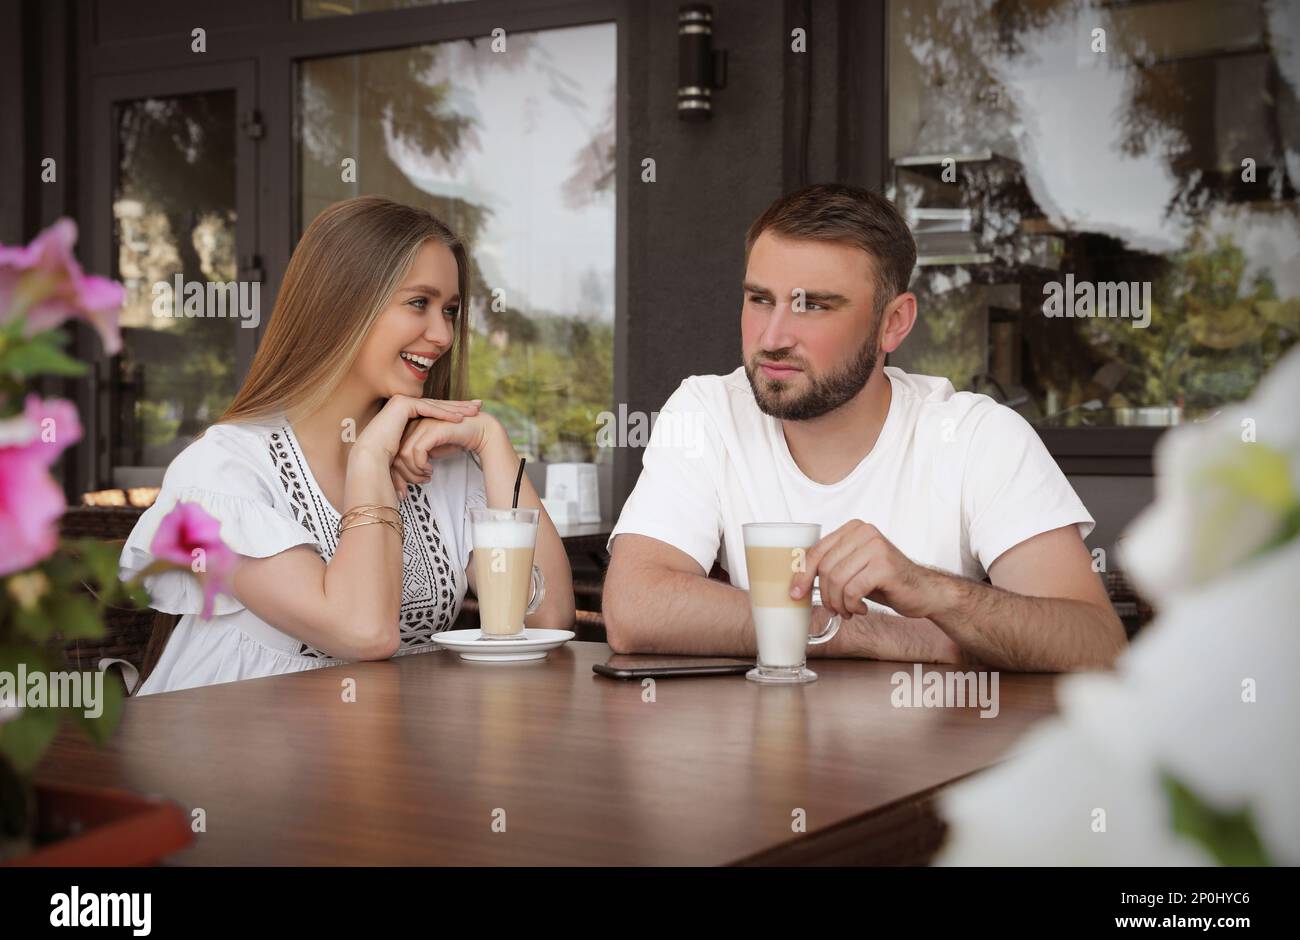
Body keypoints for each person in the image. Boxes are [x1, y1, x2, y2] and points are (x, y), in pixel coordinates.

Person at [602, 184, 1124, 672]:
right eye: (760, 299)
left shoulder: (977, 436)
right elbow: (633, 607)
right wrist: (870, 633)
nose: (773, 336)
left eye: (814, 306)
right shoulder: (708, 412)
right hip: (763, 756)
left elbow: (1097, 642)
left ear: (893, 323)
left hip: (941, 763)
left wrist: (934, 591)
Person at [120, 196, 574, 694]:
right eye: (419, 303)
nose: (443, 334)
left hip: (388, 752)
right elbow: (361, 631)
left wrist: (493, 444)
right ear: (343, 303)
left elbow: (546, 617)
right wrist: (368, 462)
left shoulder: (437, 465)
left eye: (450, 310)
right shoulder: (223, 472)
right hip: (240, 755)